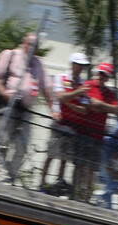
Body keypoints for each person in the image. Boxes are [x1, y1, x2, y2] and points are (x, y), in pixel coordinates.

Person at [0, 32, 54, 185]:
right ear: (24, 43)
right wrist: (4, 93)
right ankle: (0, 173)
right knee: (2, 142)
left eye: (35, 45)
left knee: (23, 145)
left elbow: (47, 89)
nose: (32, 48)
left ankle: (11, 175)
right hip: (9, 105)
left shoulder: (39, 64)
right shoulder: (10, 55)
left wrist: (54, 109)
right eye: (30, 44)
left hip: (26, 109)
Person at [60, 62, 117, 202]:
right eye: (101, 74)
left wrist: (101, 105)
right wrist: (100, 107)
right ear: (98, 73)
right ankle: (75, 194)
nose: (102, 77)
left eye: (105, 75)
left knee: (92, 168)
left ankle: (86, 197)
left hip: (98, 135)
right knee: (79, 165)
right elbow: (86, 105)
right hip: (83, 132)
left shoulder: (109, 93)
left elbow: (115, 109)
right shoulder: (88, 85)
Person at [42, 51, 89, 195]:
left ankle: (58, 183)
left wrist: (70, 103)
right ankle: (42, 183)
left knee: (64, 158)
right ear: (73, 65)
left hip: (73, 125)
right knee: (51, 154)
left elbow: (84, 109)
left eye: (83, 66)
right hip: (59, 122)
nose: (81, 68)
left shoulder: (83, 84)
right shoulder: (61, 77)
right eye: (79, 65)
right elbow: (59, 96)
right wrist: (76, 94)